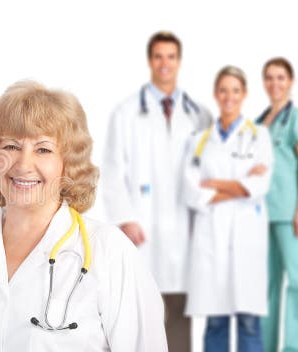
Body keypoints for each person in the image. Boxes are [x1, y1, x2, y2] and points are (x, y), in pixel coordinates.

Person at [0, 80, 166, 351]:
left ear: (68, 164)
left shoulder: (110, 252)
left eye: (43, 149)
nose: (23, 164)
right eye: (11, 146)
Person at [100, 30, 212, 351]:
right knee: (141, 313)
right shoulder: (126, 112)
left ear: (179, 61)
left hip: (185, 229)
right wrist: (125, 217)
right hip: (142, 226)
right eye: (159, 56)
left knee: (179, 313)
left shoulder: (199, 115)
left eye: (171, 57)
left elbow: (209, 171)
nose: (165, 63)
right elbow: (112, 169)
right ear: (150, 61)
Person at [182, 66, 273, 352]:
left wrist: (215, 185)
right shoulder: (199, 141)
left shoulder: (259, 136)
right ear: (215, 94)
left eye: (235, 90)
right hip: (212, 236)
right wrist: (239, 186)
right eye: (223, 90)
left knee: (249, 322)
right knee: (215, 322)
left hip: (247, 236)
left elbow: (259, 185)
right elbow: (191, 191)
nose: (229, 96)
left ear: (244, 94)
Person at [256, 57, 298, 352]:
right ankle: (264, 346)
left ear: (290, 82)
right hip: (262, 215)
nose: (275, 83)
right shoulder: (259, 123)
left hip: (291, 215)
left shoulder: (297, 118)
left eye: (280, 77)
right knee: (266, 285)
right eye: (269, 77)